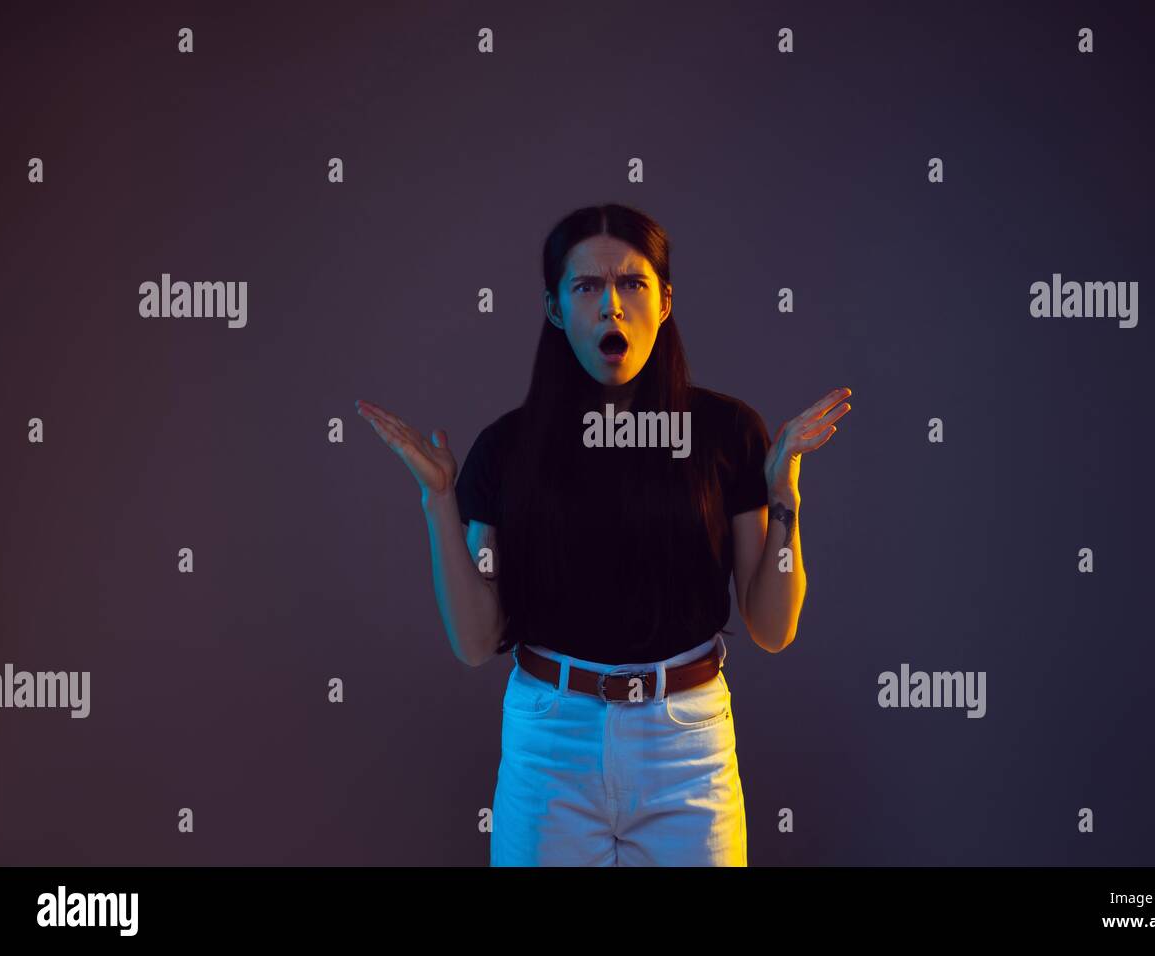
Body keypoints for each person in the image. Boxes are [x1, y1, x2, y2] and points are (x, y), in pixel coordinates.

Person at [357, 203, 850, 865]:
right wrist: (440, 501)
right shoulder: (506, 450)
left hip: (687, 746)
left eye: (632, 284)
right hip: (550, 743)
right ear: (557, 310)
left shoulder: (727, 433)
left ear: (665, 300)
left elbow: (772, 626)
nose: (611, 307)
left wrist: (784, 495)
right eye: (587, 287)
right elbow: (475, 643)